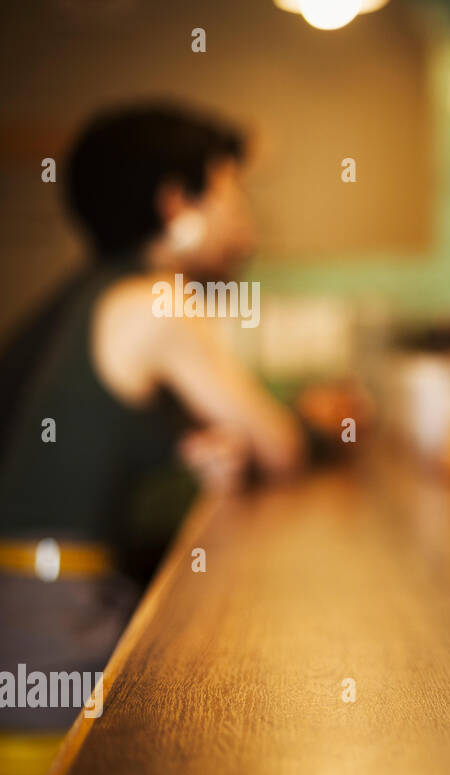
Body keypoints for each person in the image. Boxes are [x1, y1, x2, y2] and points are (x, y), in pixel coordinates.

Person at [0, 103, 305, 729]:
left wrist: (194, 454)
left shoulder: (93, 294)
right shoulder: (157, 300)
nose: (245, 224)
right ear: (176, 205)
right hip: (51, 626)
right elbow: (281, 446)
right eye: (231, 195)